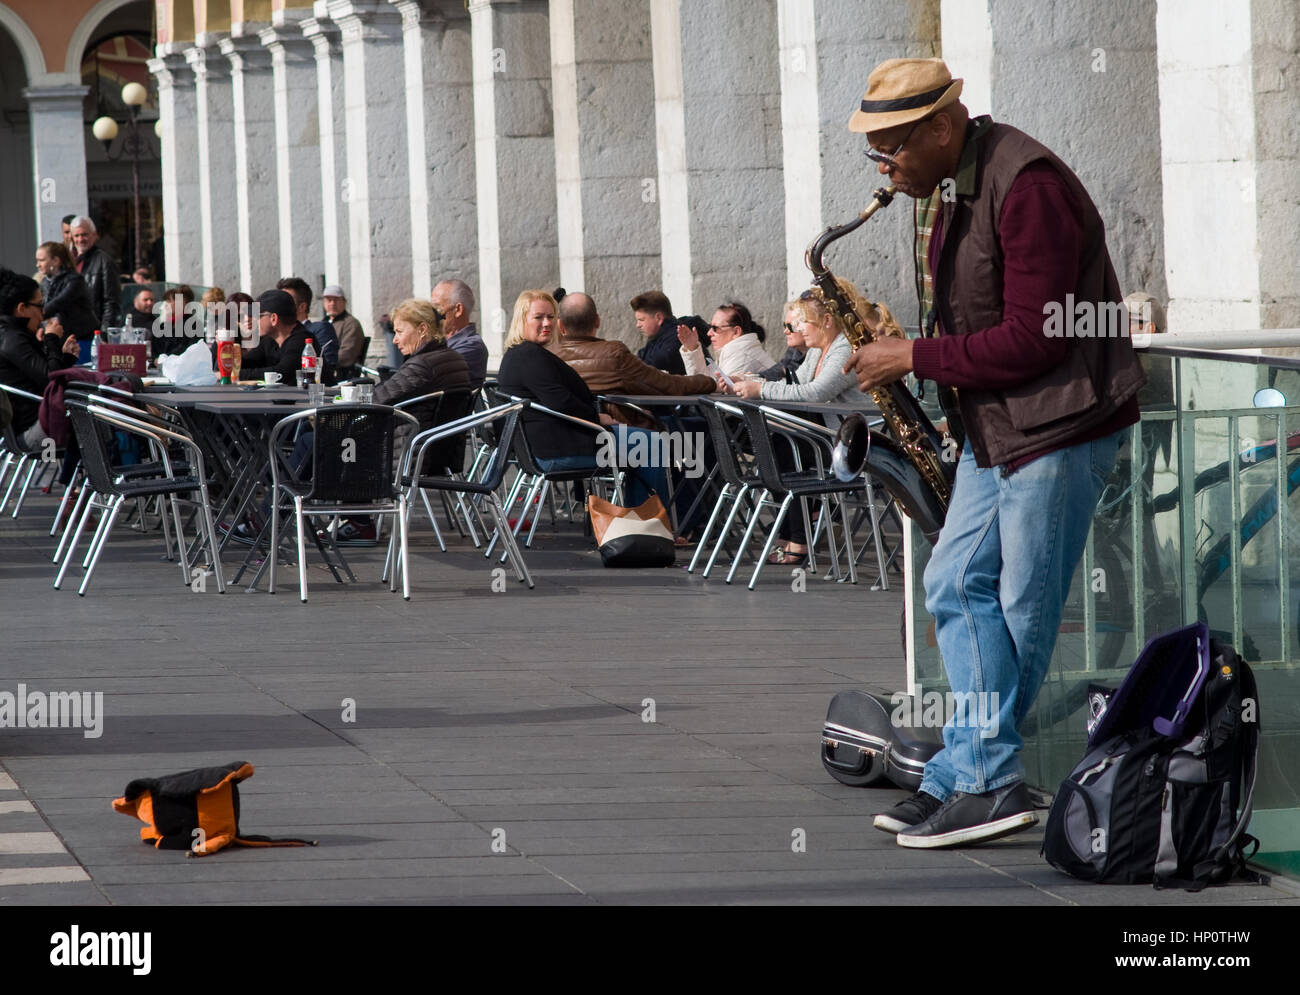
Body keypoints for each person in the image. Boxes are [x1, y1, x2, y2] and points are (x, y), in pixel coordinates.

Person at [841, 58, 1144, 847]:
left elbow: (1040, 336)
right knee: (952, 580)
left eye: (892, 148)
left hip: (1061, 424)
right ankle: (965, 770)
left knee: (1021, 606)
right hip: (999, 426)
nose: (883, 168)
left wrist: (913, 359)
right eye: (875, 151)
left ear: (943, 127)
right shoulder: (954, 184)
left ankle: (983, 776)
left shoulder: (1028, 185)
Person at [732, 284, 871, 564]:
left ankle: (799, 536)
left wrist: (760, 390)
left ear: (827, 321)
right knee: (780, 445)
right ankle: (792, 531)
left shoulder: (844, 349)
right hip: (831, 436)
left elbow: (814, 393)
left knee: (786, 447)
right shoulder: (820, 349)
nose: (797, 327)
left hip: (857, 444)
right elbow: (794, 384)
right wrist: (754, 383)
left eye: (802, 321)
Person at [328, 299, 473, 546]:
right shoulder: (451, 357)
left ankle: (355, 522)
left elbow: (378, 399)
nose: (395, 340)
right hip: (442, 452)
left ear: (423, 329)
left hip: (413, 454)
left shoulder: (422, 364)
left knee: (340, 441)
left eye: (399, 331)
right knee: (345, 437)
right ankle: (345, 518)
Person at [553, 291, 716, 508]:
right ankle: (679, 517)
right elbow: (667, 386)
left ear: (560, 326)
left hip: (566, 439)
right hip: (619, 438)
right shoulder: (613, 353)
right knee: (701, 432)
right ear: (598, 321)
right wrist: (709, 382)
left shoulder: (550, 358)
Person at [496, 290, 604, 472]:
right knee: (651, 445)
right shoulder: (529, 356)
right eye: (538, 317)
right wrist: (598, 417)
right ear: (521, 320)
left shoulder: (518, 354)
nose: (546, 323)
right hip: (558, 450)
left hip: (546, 448)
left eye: (551, 317)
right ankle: (647, 502)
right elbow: (561, 401)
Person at [0, 268, 80, 449]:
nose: (44, 312)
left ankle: (72, 476)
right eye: (39, 305)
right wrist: (51, 339)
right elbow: (50, 381)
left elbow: (47, 376)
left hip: (34, 421)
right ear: (22, 309)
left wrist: (65, 356)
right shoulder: (13, 339)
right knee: (103, 426)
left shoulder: (13, 334)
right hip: (33, 428)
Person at [677, 301, 771, 382]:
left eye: (715, 328)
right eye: (710, 327)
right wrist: (692, 348)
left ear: (736, 332)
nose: (709, 333)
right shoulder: (733, 352)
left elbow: (717, 391)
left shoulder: (742, 356)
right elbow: (706, 381)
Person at [69, 216, 122, 345]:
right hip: (72, 333)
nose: (80, 239)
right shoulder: (70, 261)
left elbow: (111, 302)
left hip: (93, 334)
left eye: (84, 235)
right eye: (76, 236)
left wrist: (103, 334)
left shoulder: (104, 261)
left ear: (94, 235)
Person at [240, 289, 311, 383]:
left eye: (257, 316)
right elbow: (245, 363)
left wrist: (238, 374)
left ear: (273, 319)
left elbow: (281, 373)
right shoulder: (269, 340)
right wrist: (223, 344)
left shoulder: (301, 340)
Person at [431, 279, 487, 389]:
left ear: (458, 310)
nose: (432, 314)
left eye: (437, 307)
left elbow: (429, 374)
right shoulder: (438, 340)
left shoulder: (472, 346)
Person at [35, 242, 96, 343]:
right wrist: (39, 327)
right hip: (61, 338)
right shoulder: (45, 282)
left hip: (81, 338)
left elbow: (57, 303)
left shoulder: (75, 280)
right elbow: (42, 305)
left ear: (56, 261)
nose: (38, 265)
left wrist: (36, 316)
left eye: (41, 260)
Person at [277, 277, 337, 376]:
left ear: (302, 307)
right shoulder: (275, 334)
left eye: (286, 302)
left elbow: (327, 363)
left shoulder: (319, 329)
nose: (279, 307)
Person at [630, 290, 688, 375]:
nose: (638, 325)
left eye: (641, 320)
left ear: (659, 318)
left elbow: (650, 365)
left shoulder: (676, 338)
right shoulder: (659, 337)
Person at [321, 284, 366, 374]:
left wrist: (323, 362)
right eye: (329, 300)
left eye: (336, 300)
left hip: (340, 373)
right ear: (324, 303)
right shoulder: (323, 322)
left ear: (344, 302)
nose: (332, 303)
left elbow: (347, 355)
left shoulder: (351, 323)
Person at [760, 317, 807, 382]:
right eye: (785, 326)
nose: (785, 331)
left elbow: (797, 386)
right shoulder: (795, 348)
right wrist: (757, 377)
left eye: (791, 326)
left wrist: (762, 384)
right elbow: (781, 367)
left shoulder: (816, 354)